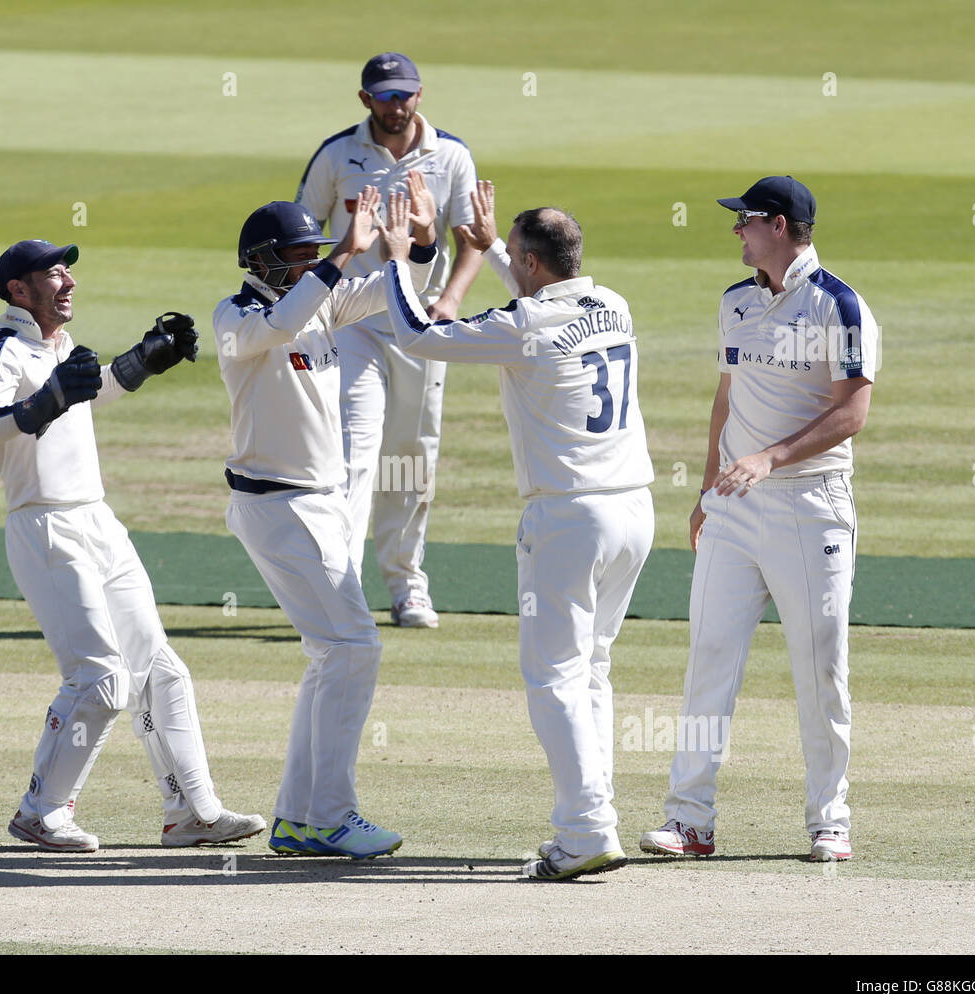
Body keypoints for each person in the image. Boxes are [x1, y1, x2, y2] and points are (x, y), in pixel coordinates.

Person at [380, 182, 655, 881]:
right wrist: (497, 245)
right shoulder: (612, 304)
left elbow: (417, 335)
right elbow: (540, 305)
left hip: (569, 518)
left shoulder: (523, 325)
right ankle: (596, 817)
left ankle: (587, 828)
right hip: (633, 512)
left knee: (554, 677)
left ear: (532, 264)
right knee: (591, 667)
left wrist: (394, 259)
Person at [0, 238, 265, 852]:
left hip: (97, 520)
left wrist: (143, 360)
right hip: (45, 526)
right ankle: (41, 811)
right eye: (54, 273)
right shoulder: (7, 347)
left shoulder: (59, 344)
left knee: (160, 669)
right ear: (18, 291)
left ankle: (191, 812)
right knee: (101, 678)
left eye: (69, 270)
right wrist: (45, 399)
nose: (69, 281)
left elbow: (87, 392)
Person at [640, 175, 878, 863]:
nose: (734, 231)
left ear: (777, 225)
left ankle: (829, 819)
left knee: (820, 666)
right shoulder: (735, 302)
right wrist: (708, 487)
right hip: (734, 506)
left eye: (743, 220)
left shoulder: (840, 303)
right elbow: (727, 394)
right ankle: (689, 820)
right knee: (709, 656)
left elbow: (852, 410)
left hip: (813, 505)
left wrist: (770, 458)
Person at [214, 180, 438, 858]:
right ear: (260, 262)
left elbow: (399, 292)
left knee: (329, 655)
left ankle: (297, 818)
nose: (307, 261)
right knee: (354, 648)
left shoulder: (320, 301)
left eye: (312, 250)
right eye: (296, 253)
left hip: (318, 503)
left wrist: (421, 244)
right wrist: (342, 252)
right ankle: (330, 816)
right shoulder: (237, 317)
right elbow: (281, 323)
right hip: (279, 503)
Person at [296, 52, 483, 628]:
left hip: (421, 329)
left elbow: (473, 239)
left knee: (410, 456)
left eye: (403, 95)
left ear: (420, 95)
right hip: (354, 325)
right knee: (354, 452)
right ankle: (342, 588)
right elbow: (300, 235)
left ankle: (406, 586)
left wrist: (448, 301)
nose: (394, 105)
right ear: (365, 100)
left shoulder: (451, 155)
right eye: (383, 95)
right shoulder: (337, 154)